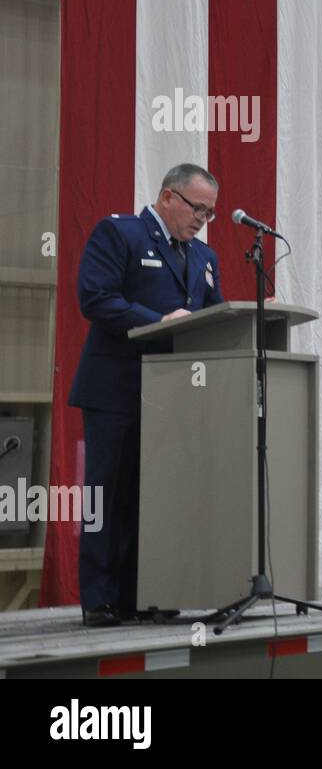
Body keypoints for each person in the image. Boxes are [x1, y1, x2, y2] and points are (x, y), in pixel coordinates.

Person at [69, 164, 224, 626]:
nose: (203, 219)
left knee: (154, 497)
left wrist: (256, 314)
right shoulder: (122, 234)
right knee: (107, 494)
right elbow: (95, 298)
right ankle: (99, 599)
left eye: (210, 213)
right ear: (167, 197)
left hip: (171, 396)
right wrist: (157, 320)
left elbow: (213, 318)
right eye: (198, 207)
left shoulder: (203, 257)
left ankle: (145, 594)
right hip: (116, 390)